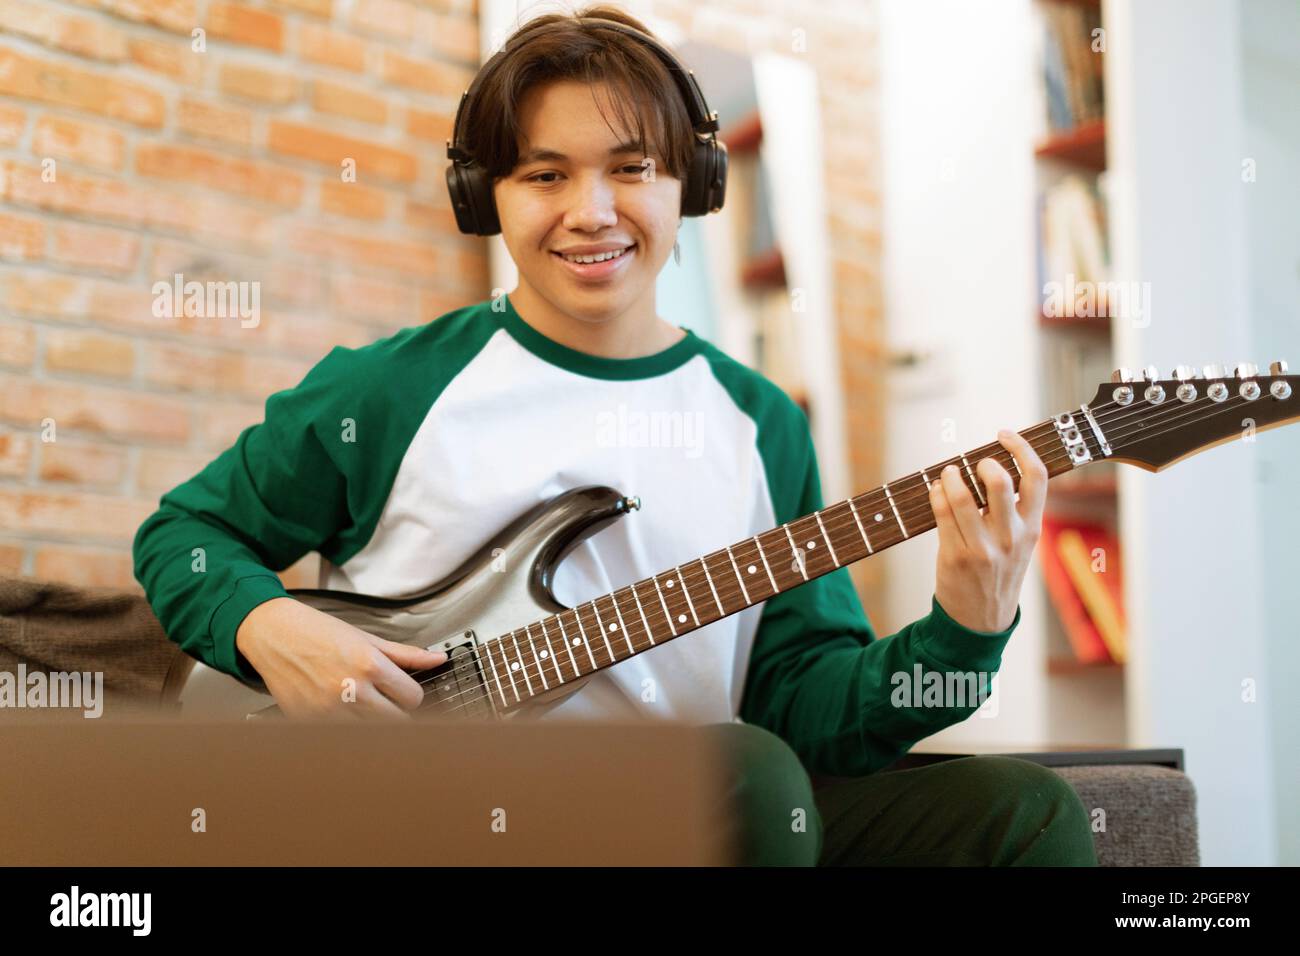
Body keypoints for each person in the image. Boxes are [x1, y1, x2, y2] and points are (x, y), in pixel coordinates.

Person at [132, 4, 1096, 866]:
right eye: (545, 174)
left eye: (631, 169)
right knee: (749, 777)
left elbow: (805, 708)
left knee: (1022, 813)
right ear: (486, 196)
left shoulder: (761, 421)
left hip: (696, 814)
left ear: (692, 185)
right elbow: (185, 535)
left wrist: (963, 632)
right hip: (432, 810)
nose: (591, 213)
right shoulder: (392, 387)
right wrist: (271, 629)